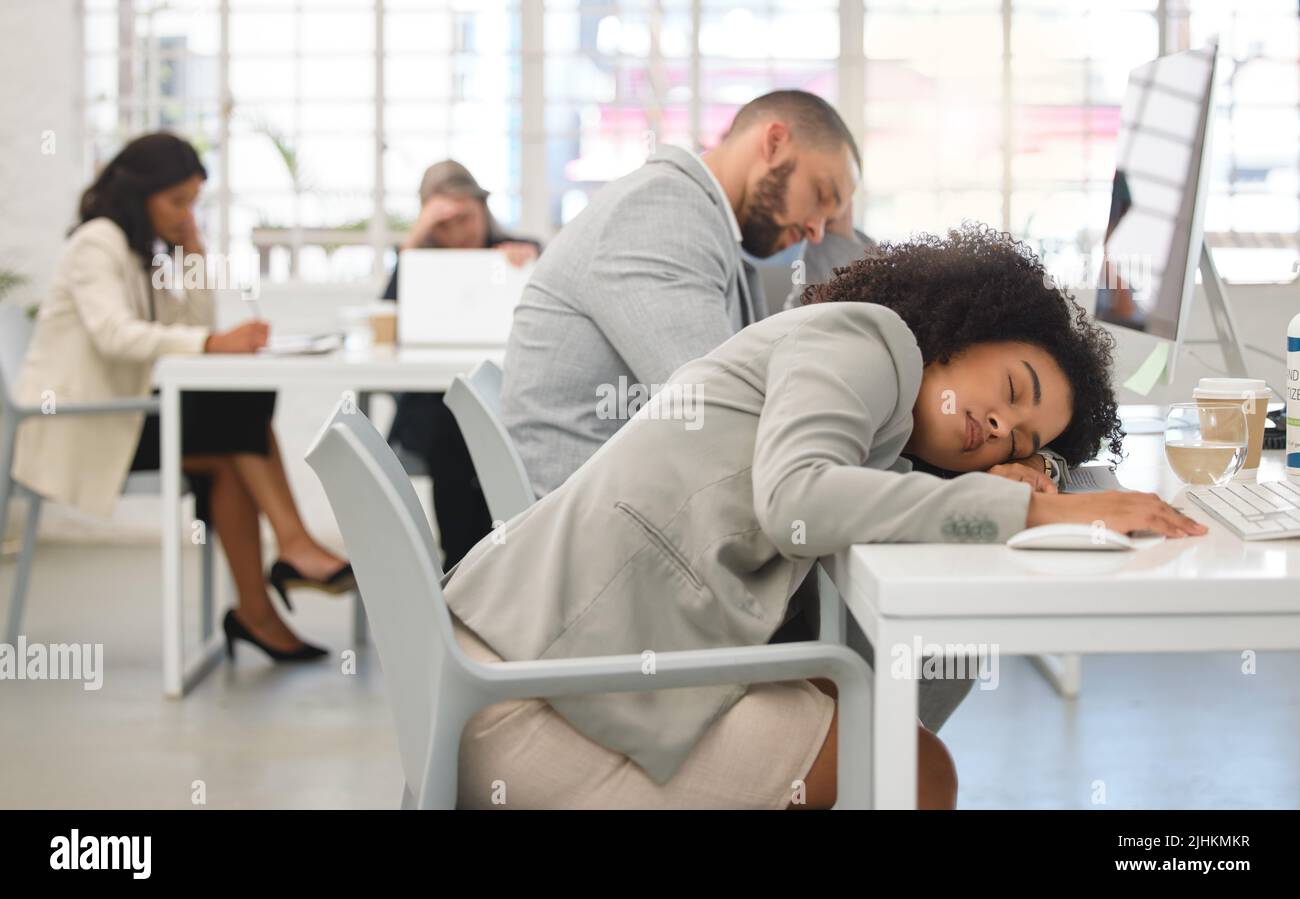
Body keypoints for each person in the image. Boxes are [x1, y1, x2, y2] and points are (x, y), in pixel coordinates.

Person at [439, 224, 1205, 810]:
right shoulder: (865, 342)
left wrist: (1020, 482)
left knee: (870, 703)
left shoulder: (871, 383)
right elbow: (798, 498)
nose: (1002, 426)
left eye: (1024, 437)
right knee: (918, 766)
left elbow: (834, 484)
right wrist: (1031, 508)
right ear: (966, 327)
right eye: (1012, 386)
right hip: (527, 708)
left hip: (525, 667)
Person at [11, 132, 352, 662]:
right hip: (82, 425)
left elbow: (192, 328)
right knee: (240, 413)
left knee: (235, 440)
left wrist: (193, 255)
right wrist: (214, 343)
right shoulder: (97, 242)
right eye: (176, 202)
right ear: (138, 192)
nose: (184, 214)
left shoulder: (141, 250)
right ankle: (290, 552)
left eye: (193, 203)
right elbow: (116, 336)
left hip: (127, 416)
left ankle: (262, 604)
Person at [380, 160, 541, 568]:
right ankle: (464, 565)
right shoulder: (418, 262)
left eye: (465, 217)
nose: (458, 232)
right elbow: (386, 317)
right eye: (443, 224)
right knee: (453, 424)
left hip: (504, 396)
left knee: (480, 422)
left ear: (483, 209)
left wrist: (528, 261)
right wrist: (415, 240)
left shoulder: (517, 252)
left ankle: (491, 563)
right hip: (436, 408)